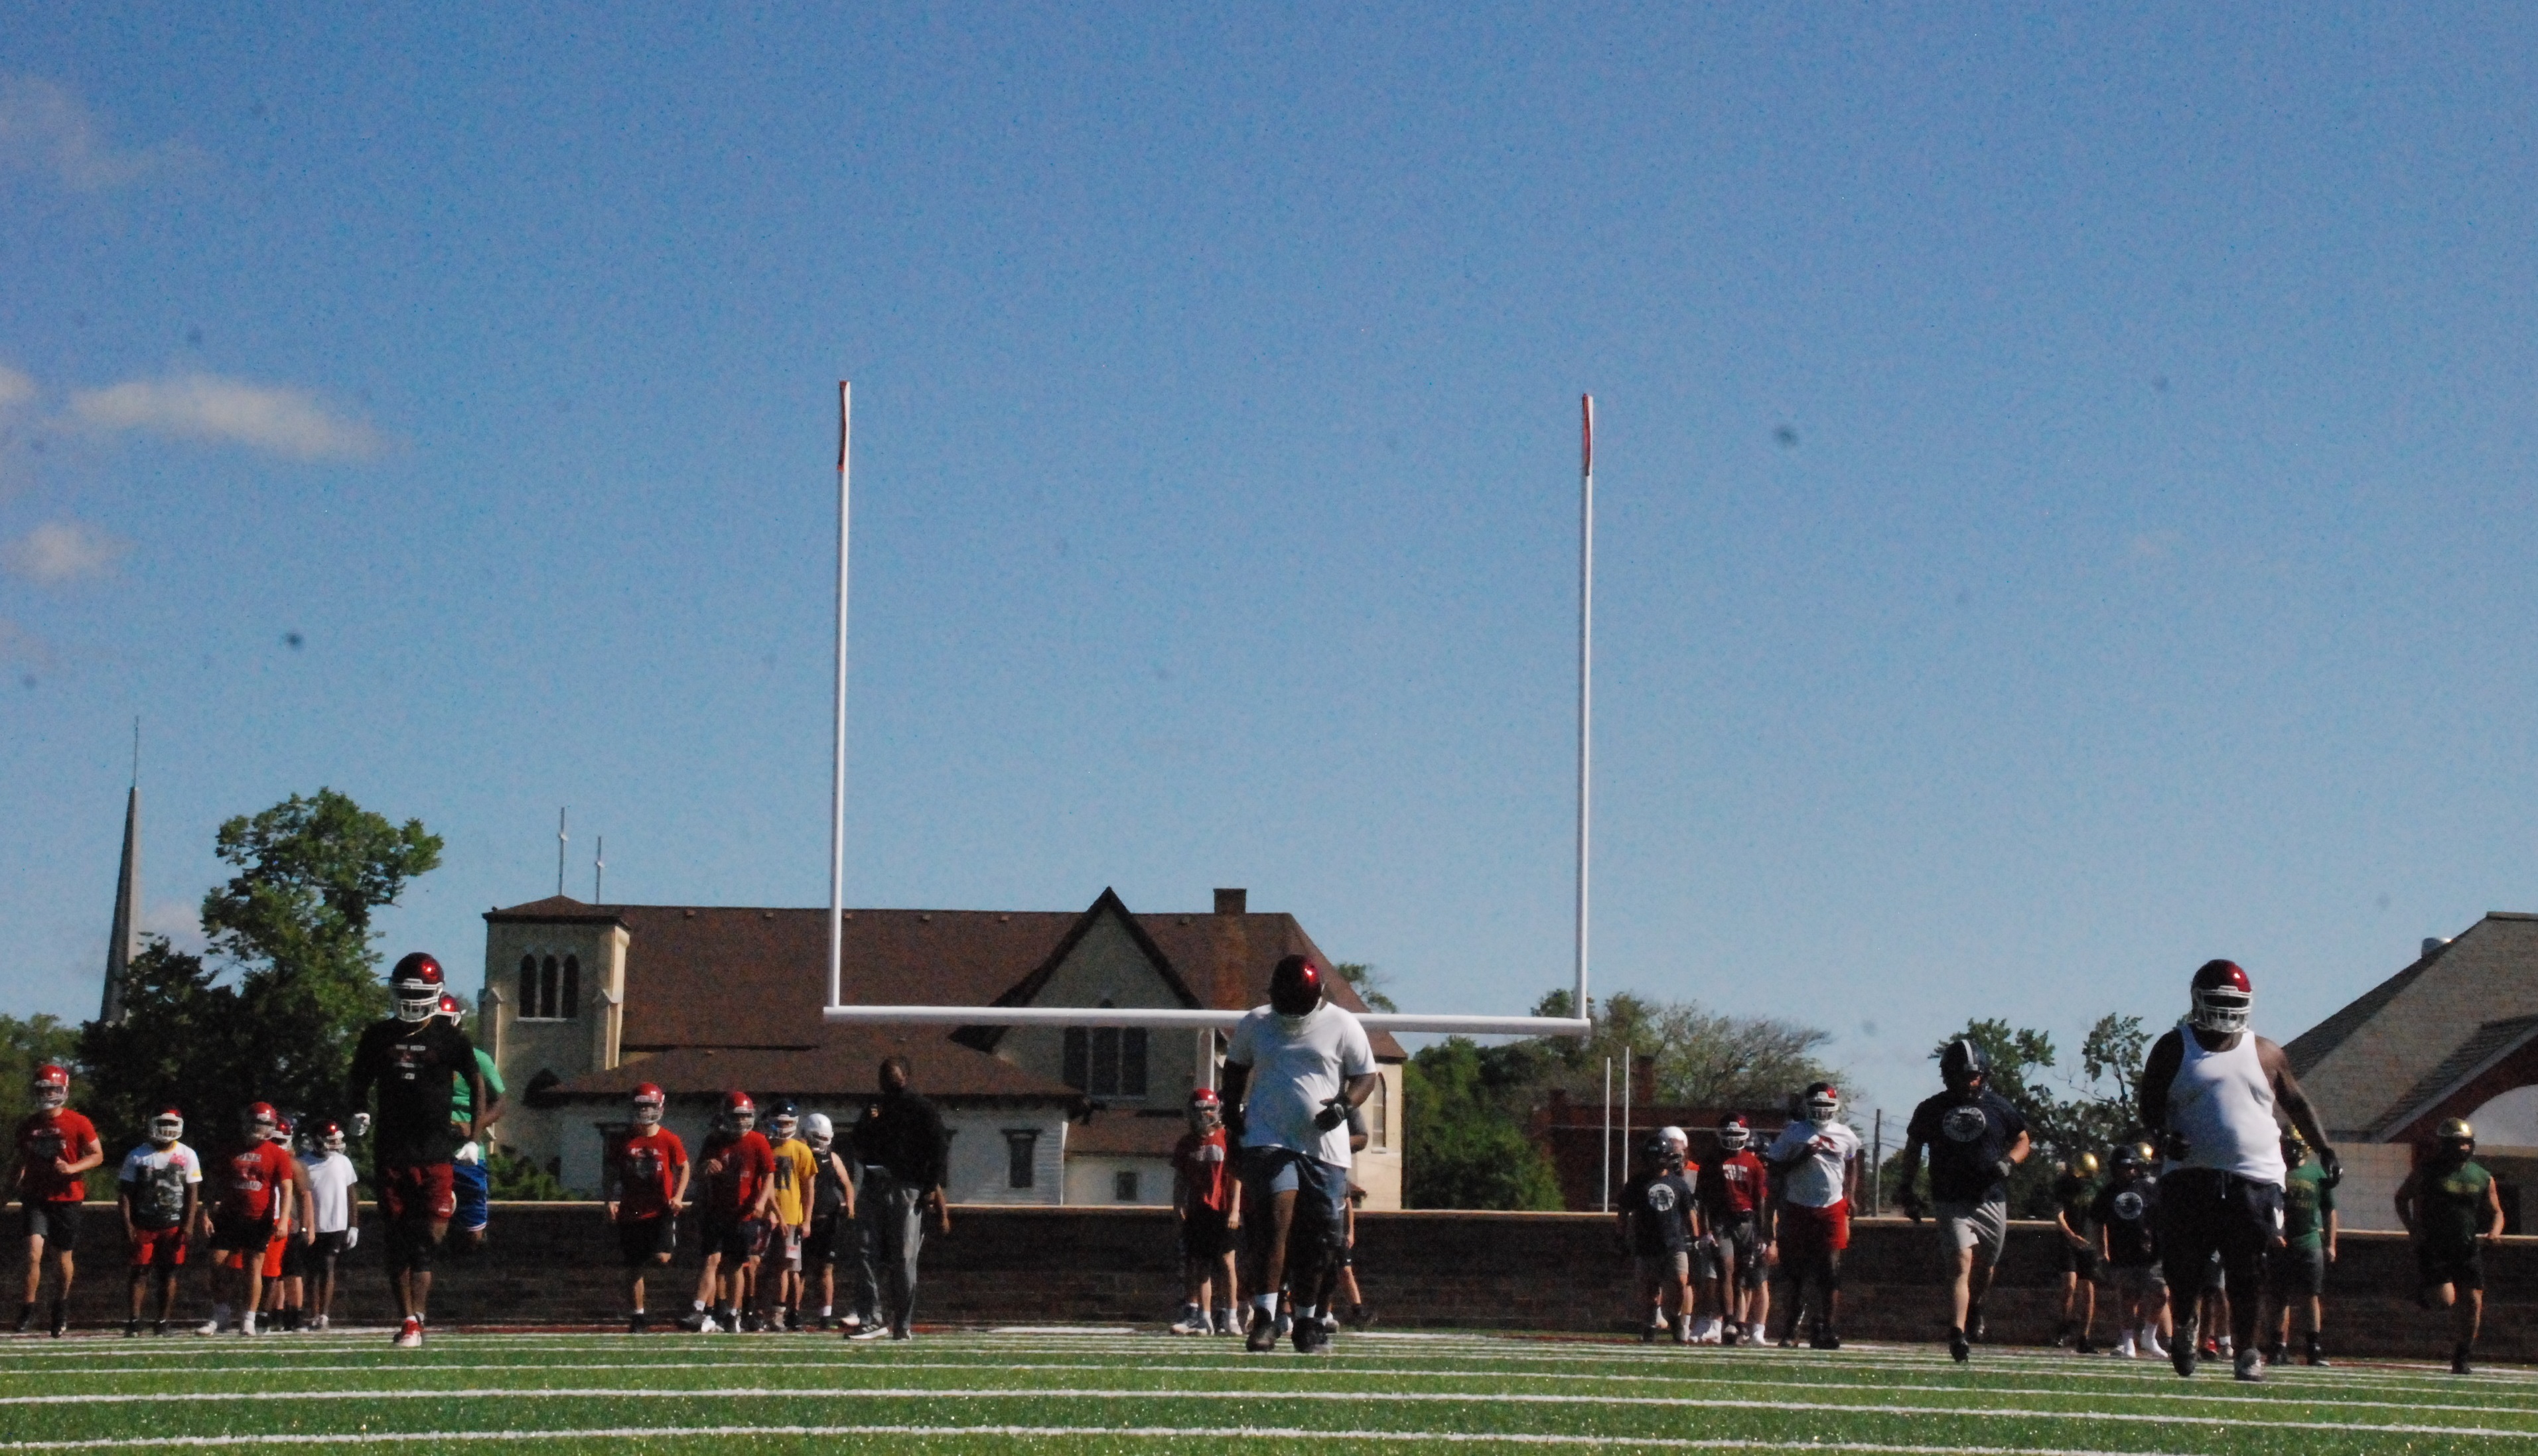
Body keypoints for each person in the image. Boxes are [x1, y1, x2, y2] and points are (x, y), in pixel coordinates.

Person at [2138, 959, 2338, 1382]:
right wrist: (2163, 1136)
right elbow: (2149, 1106)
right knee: (2185, 1267)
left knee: (2248, 1268)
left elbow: (2296, 1103)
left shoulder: (2266, 1051)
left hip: (2256, 1176)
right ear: (2197, 1001)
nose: (2226, 1010)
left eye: (2233, 1002)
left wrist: (2324, 1148)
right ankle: (2187, 1322)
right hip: (2190, 1174)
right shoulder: (2174, 1047)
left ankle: (2247, 1350)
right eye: (2218, 1001)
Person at [1221, 955, 1380, 1355]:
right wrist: (1231, 1110)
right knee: (1275, 1220)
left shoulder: (1342, 1024)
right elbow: (1236, 1067)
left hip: (1324, 1147)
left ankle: (1308, 1318)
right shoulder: (1257, 1022)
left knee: (1320, 1237)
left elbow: (1366, 1075)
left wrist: (1344, 1105)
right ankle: (1265, 1317)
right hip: (1269, 1136)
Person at [346, 951, 488, 1349]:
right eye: (404, 992)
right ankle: (410, 1319)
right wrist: (358, 1110)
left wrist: (474, 1138)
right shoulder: (378, 1035)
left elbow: (478, 1086)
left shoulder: (450, 1037)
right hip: (392, 1150)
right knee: (398, 1240)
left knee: (430, 1237)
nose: (410, 1000)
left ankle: (417, 1315)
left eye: (417, 992)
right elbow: (357, 1079)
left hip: (435, 1151)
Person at [1895, 1037, 2031, 1362]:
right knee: (1960, 1264)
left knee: (1986, 1266)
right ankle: (1957, 1333)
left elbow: (2024, 1140)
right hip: (1951, 1198)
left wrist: (2009, 1162)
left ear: (1982, 1075)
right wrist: (1906, 1188)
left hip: (1991, 1199)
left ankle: (1977, 1307)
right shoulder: (1932, 1108)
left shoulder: (1999, 1106)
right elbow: (1913, 1150)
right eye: (1958, 1074)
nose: (1965, 1081)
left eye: (1970, 1074)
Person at [846, 1057, 951, 1341]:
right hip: (874, 1186)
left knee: (904, 1258)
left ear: (906, 1075)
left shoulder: (923, 1108)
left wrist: (930, 1186)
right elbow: (858, 1139)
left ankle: (902, 1323)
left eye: (892, 1074)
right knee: (866, 1252)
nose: (888, 1079)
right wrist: (867, 1158)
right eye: (884, 1074)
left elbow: (939, 1148)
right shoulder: (875, 1107)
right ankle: (870, 1319)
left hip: (908, 1189)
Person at [2395, 1117, 2505, 1375]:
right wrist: (2413, 1228)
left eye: (2467, 1143)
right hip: (2435, 1246)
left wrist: (2494, 1232)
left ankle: (2462, 1356)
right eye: (2458, 1143)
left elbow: (2497, 1211)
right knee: (2444, 1301)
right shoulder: (2427, 1171)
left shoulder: (2483, 1177)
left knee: (2473, 1302)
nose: (2463, 1149)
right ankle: (2423, 1290)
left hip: (2467, 1248)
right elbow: (2402, 1198)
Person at [1764, 1082, 1859, 1350]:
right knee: (1795, 1273)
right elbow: (1774, 1168)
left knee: (1829, 1272)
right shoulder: (1794, 1134)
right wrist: (1800, 1158)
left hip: (1831, 1206)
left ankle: (1825, 1327)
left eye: (1825, 1107)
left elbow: (1852, 1162)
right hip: (1798, 1206)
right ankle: (1791, 1328)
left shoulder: (1845, 1134)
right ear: (1806, 1108)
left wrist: (1850, 1195)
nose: (1820, 1112)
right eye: (1815, 1107)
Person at [11, 1063, 104, 1337]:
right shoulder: (29, 1125)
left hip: (67, 1196)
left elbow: (97, 1155)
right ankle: (27, 1308)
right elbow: (19, 1163)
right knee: (33, 1253)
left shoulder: (78, 1122)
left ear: (63, 1090)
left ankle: (60, 1306)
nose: (49, 1095)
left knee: (62, 1256)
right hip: (36, 1195)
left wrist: (73, 1168)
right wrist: (6, 1192)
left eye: (53, 1089)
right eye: (44, 1089)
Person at [200, 1104, 301, 1336]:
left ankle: (248, 1319)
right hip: (228, 1215)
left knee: (253, 1269)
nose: (260, 1128)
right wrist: (206, 1212)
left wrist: (284, 1218)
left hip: (259, 1219)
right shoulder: (230, 1150)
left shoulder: (277, 1154)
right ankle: (221, 1313)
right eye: (257, 1122)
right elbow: (215, 1183)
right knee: (216, 1263)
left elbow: (286, 1189)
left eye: (265, 1124)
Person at [686, 1090, 774, 1333]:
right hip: (717, 1210)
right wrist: (705, 1167)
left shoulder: (758, 1141)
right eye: (736, 1117)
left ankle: (733, 1315)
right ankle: (698, 1309)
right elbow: (697, 1174)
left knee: (735, 1266)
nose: (741, 1122)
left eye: (746, 1116)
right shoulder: (714, 1141)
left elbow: (769, 1175)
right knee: (711, 1260)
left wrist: (760, 1202)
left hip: (743, 1213)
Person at [606, 1083, 689, 1333]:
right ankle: (638, 1317)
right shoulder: (623, 1140)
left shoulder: (669, 1139)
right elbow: (611, 1172)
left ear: (659, 1108)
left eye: (649, 1106)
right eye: (640, 1106)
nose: (644, 1111)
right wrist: (609, 1199)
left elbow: (684, 1167)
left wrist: (679, 1196)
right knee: (635, 1267)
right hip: (632, 1211)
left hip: (661, 1210)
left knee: (663, 1257)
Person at [117, 1106, 202, 1337]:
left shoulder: (187, 1154)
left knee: (169, 1273)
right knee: (139, 1272)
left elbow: (192, 1191)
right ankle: (134, 1321)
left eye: (172, 1124)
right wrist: (128, 1224)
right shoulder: (137, 1155)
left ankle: (162, 1321)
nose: (167, 1129)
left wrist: (188, 1224)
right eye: (163, 1124)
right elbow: (125, 1192)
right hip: (144, 1223)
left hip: (173, 1223)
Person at [437, 993, 505, 1257]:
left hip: (466, 1149)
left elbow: (501, 1102)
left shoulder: (478, 1058)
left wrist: (472, 1130)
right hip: (431, 1146)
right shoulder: (419, 1059)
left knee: (473, 1230)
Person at [1170, 1087, 1240, 1336]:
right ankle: (1205, 1318)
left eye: (1209, 1109)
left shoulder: (1226, 1138)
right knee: (1200, 1265)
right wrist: (1178, 1205)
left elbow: (1236, 1176)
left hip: (1222, 1209)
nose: (1205, 1115)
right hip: (1198, 1209)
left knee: (1227, 1263)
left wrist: (1235, 1209)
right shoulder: (1186, 1144)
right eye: (1199, 1110)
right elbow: (1180, 1178)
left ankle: (1232, 1316)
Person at [1618, 1132, 1701, 1344]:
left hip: (1675, 1243)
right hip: (1647, 1245)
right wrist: (1621, 1237)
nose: (1655, 1161)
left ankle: (1675, 1319)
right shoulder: (1637, 1183)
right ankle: (1649, 1325)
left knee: (1680, 1283)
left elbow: (1689, 1211)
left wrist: (1696, 1237)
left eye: (1659, 1156)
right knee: (1649, 1289)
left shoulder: (1678, 1183)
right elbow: (1624, 1211)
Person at [1695, 1114, 1769, 1347]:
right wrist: (1705, 1230)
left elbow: (1761, 1201)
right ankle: (1728, 1320)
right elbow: (1703, 1200)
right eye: (1728, 1135)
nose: (1733, 1140)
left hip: (1746, 1221)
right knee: (1725, 1270)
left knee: (1741, 1277)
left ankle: (1739, 1323)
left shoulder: (1754, 1164)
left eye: (1737, 1135)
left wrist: (1764, 1233)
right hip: (1721, 1220)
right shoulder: (1710, 1161)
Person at [2265, 1128, 2335, 1367]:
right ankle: (2278, 1347)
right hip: (2281, 1243)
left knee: (2310, 1297)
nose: (2289, 1149)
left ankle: (2313, 1348)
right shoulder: (2274, 1170)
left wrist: (2331, 1243)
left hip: (2309, 1241)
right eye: (2286, 1144)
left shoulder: (2316, 1172)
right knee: (2279, 1297)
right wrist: (2272, 1233)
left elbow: (2329, 1210)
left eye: (2293, 1144)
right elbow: (2266, 1207)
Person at [2095, 1142, 2168, 1359]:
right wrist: (2102, 1253)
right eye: (2121, 1167)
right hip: (2122, 1253)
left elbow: (2160, 1218)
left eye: (2129, 1167)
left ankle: (2149, 1336)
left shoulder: (2147, 1188)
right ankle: (2127, 1341)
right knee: (2128, 1297)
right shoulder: (2108, 1192)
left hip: (2149, 1253)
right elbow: (2098, 1223)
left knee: (2161, 1294)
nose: (2126, 1171)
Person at [297, 1120, 358, 1332]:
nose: (335, 1145)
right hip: (312, 1224)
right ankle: (312, 1313)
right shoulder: (303, 1163)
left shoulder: (343, 1162)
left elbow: (352, 1194)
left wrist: (354, 1225)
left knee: (328, 1266)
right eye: (330, 1140)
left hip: (336, 1223)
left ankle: (323, 1314)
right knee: (311, 1271)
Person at [762, 1100, 817, 1331]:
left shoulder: (801, 1150)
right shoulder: (763, 1146)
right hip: (763, 1216)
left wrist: (807, 1220)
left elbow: (808, 1188)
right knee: (758, 1267)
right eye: (779, 1123)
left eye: (787, 1123)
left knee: (785, 1268)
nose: (783, 1127)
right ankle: (756, 1312)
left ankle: (779, 1315)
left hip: (792, 1218)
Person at [800, 1112, 856, 1331]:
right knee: (799, 1270)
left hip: (827, 1221)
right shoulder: (800, 1154)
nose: (821, 1143)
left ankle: (825, 1316)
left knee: (826, 1269)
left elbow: (847, 1184)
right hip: (803, 1220)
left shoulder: (832, 1158)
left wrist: (850, 1204)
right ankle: (793, 1313)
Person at [2051, 1153, 2104, 1354]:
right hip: (2069, 1241)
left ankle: (2085, 1336)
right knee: (2069, 1285)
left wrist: (2102, 1246)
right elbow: (2059, 1215)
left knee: (2088, 1290)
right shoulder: (2063, 1185)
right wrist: (2071, 1236)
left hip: (2089, 1242)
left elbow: (2102, 1217)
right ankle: (2063, 1327)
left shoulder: (2096, 1188)